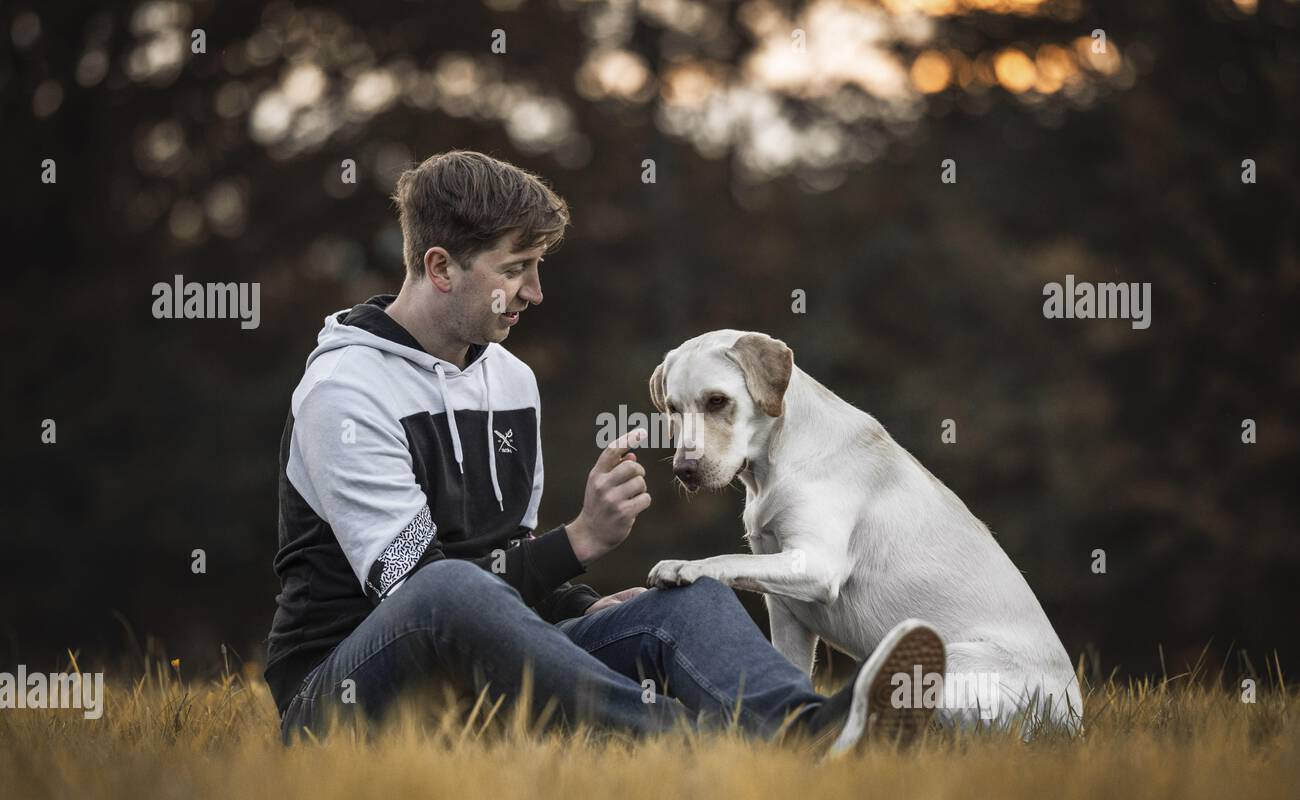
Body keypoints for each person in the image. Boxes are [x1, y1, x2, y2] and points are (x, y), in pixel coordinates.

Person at [264, 150, 920, 751]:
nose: (536, 292)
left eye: (537, 267)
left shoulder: (512, 382)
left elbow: (504, 571)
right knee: (444, 587)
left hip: (479, 688)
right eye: (515, 268)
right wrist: (576, 541)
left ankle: (808, 733)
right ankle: (687, 744)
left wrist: (576, 602)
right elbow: (420, 595)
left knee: (684, 597)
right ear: (441, 267)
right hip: (345, 705)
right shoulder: (343, 390)